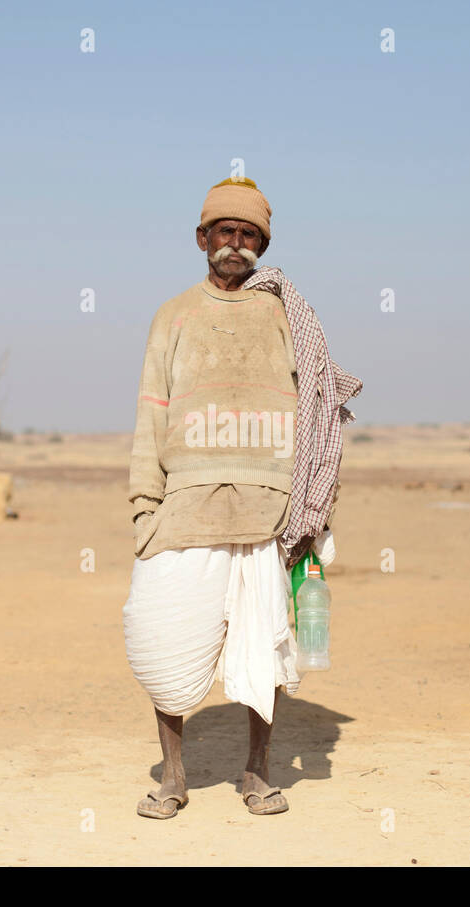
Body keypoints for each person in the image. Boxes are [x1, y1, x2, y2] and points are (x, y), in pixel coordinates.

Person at [122, 177, 360, 819]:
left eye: (248, 234)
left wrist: (313, 508)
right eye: (224, 232)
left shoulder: (287, 316)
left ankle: (257, 773)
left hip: (270, 504)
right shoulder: (172, 315)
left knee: (267, 645)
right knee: (161, 636)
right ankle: (174, 777)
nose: (236, 244)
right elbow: (150, 413)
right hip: (185, 506)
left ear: (262, 244)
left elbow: (317, 411)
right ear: (202, 239)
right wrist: (145, 506)